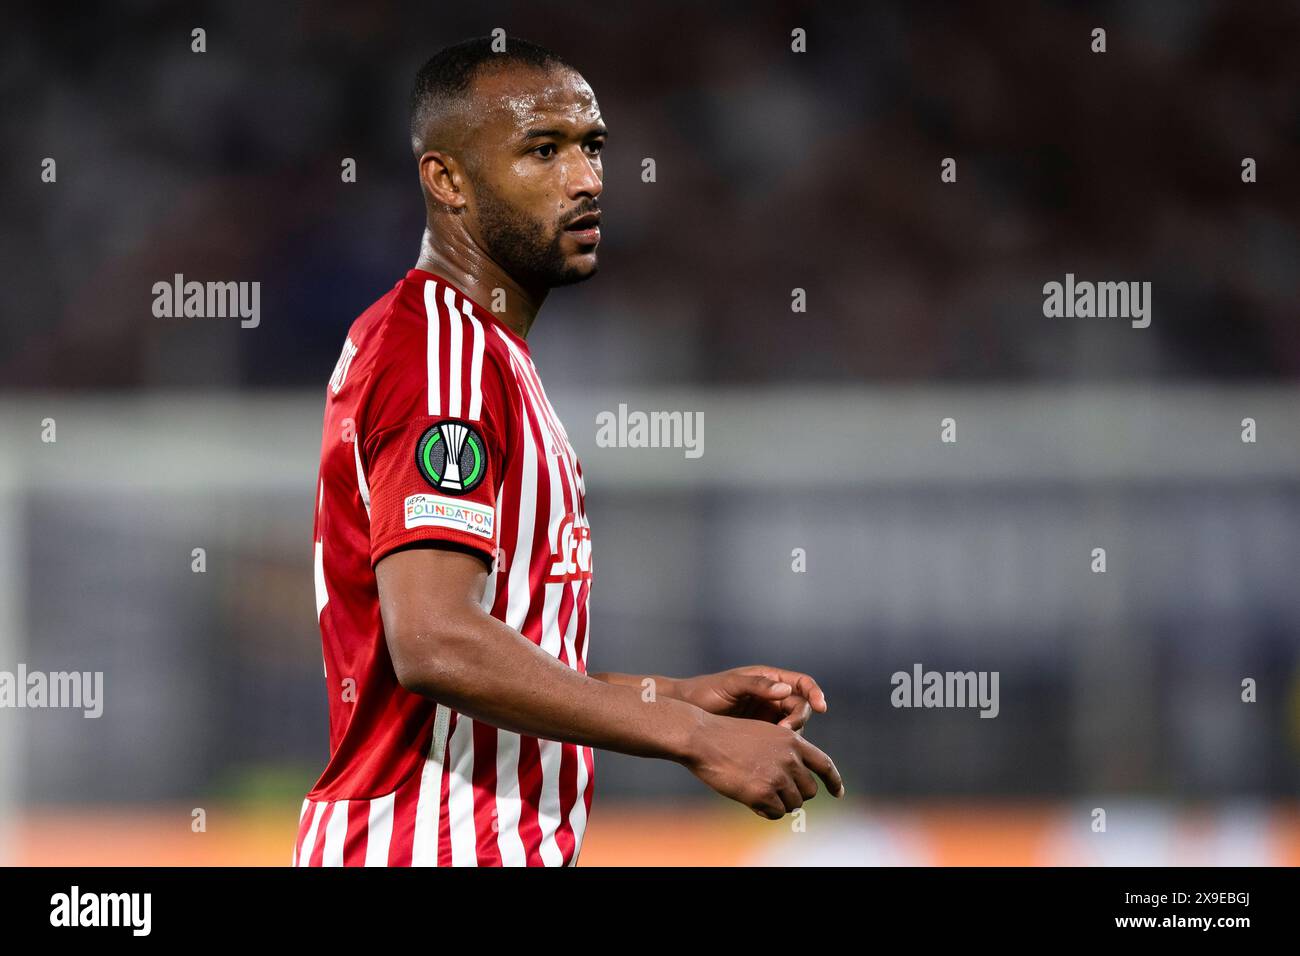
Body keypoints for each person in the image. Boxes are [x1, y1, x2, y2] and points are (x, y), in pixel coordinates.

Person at [295, 36, 843, 867]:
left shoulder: (477, 354)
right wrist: (690, 734)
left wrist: (676, 693)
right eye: (542, 151)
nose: (585, 181)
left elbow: (488, 644)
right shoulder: (441, 361)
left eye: (592, 148)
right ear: (446, 181)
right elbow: (435, 641)